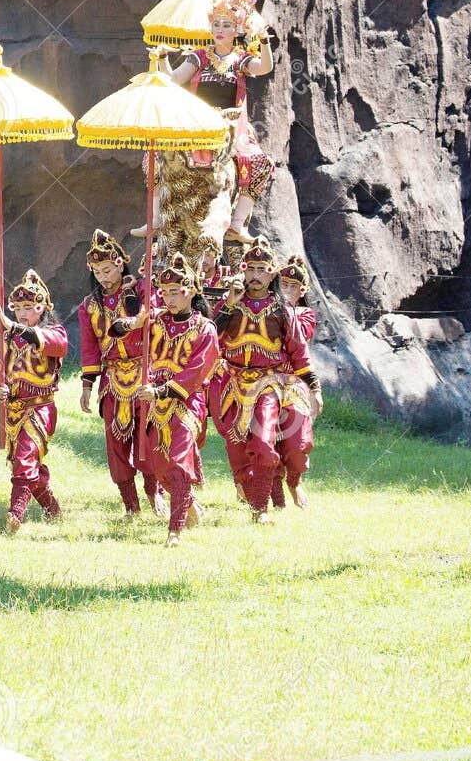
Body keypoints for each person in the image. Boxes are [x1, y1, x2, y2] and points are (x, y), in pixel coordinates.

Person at [208, 239, 322, 523]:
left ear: (272, 274)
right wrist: (228, 306)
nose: (255, 276)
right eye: (251, 269)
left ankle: (273, 500)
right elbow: (209, 337)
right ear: (243, 271)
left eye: (262, 269)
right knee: (237, 451)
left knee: (274, 443)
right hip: (233, 384)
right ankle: (262, 501)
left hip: (269, 383)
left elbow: (298, 350)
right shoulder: (229, 303)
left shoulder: (283, 308)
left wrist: (314, 388)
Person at [158, 0, 278, 246]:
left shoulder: (241, 60)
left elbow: (265, 67)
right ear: (210, 28)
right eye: (217, 24)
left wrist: (265, 40)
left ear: (236, 30)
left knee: (259, 164)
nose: (220, 30)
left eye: (226, 25)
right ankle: (156, 217)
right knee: (155, 155)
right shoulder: (199, 57)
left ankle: (237, 224)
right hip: (196, 126)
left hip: (230, 128)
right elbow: (172, 79)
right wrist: (162, 57)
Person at [77, 229, 166, 519]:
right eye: (97, 271)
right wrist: (87, 386)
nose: (103, 276)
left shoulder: (141, 290)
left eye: (107, 269)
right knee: (115, 445)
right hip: (112, 380)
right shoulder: (89, 306)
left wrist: (143, 315)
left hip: (144, 373)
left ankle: (155, 493)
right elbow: (90, 349)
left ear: (120, 263)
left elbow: (154, 315)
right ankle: (131, 505)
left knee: (149, 439)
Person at [137, 254, 221, 547]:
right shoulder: (156, 321)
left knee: (178, 460)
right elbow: (136, 345)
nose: (169, 298)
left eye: (176, 292)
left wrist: (161, 391)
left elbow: (197, 372)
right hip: (154, 401)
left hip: (187, 402)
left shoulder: (205, 329)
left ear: (192, 290)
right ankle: (190, 502)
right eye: (165, 292)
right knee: (157, 465)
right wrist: (131, 322)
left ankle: (175, 530)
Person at [0, 269, 67, 533]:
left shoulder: (53, 333)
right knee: (27, 462)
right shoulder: (1, 339)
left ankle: (14, 515)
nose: (22, 313)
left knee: (25, 458)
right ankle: (51, 507)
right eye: (17, 307)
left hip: (40, 407)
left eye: (29, 307)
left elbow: (58, 346)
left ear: (41, 308)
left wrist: (17, 328)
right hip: (14, 410)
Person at [271, 254, 323, 508]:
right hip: (262, 382)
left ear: (302, 291)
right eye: (283, 284)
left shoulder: (304, 314)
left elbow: (299, 336)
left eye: (293, 286)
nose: (287, 289)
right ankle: (268, 495)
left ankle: (294, 480)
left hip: (293, 383)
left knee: (297, 442)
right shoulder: (264, 311)